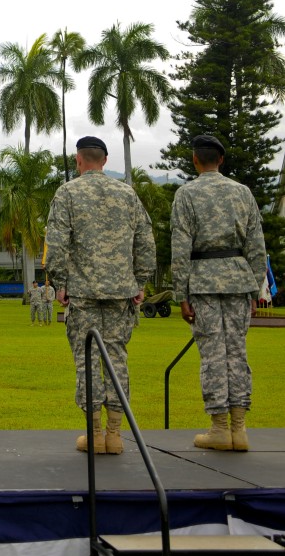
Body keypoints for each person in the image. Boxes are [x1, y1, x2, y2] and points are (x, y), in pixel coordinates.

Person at [45, 135, 156, 454]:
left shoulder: (67, 192)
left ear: (78, 160)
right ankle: (115, 434)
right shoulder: (127, 193)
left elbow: (57, 243)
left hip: (83, 293)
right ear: (105, 161)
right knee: (117, 358)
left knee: (87, 360)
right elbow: (146, 243)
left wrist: (60, 283)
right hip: (121, 293)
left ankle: (94, 435)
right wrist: (140, 282)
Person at [171, 133, 268, 451]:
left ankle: (219, 429)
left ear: (195, 160)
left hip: (204, 283)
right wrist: (255, 290)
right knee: (237, 354)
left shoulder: (186, 194)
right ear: (221, 160)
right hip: (239, 282)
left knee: (213, 356)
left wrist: (181, 293)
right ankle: (240, 430)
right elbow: (256, 245)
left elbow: (181, 246)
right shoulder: (243, 193)